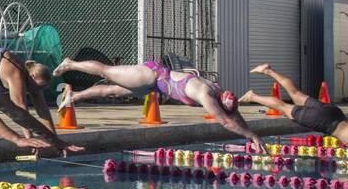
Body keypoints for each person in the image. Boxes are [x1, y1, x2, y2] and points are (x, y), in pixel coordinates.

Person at [54, 56, 263, 150]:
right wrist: (251, 134)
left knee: (112, 91)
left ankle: (74, 97)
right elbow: (226, 121)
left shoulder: (218, 92)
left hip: (153, 86)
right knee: (106, 72)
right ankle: (70, 64)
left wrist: (251, 135)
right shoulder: (206, 93)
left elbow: (234, 115)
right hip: (150, 75)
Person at [242, 64, 348, 156]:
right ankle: (253, 97)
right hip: (326, 123)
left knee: (296, 94)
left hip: (335, 114)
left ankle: (268, 70)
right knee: (283, 107)